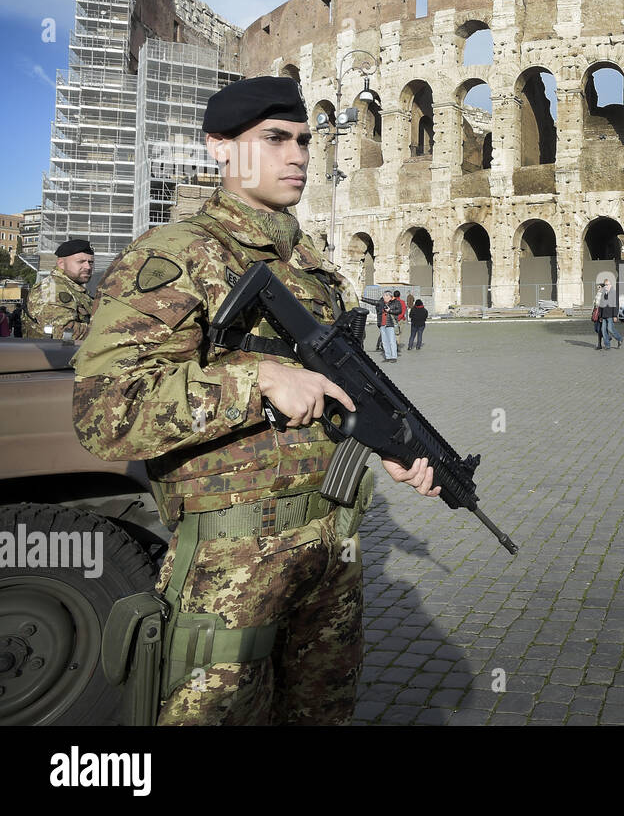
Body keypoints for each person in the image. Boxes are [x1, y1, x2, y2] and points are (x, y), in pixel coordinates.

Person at [73, 75, 439, 725]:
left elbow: (332, 398)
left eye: (303, 139)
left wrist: (385, 442)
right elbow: (107, 413)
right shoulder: (176, 257)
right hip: (229, 573)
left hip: (330, 563)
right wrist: (257, 381)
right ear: (220, 148)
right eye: (275, 138)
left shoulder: (316, 271)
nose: (298, 154)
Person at [23, 238, 96, 341]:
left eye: (91, 262)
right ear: (61, 264)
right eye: (81, 262)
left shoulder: (71, 287)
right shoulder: (51, 289)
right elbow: (62, 332)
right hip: (54, 355)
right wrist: (112, 331)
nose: (88, 267)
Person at [599, 278, 622, 349]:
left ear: (610, 285)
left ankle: (619, 339)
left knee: (610, 329)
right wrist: (600, 316)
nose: (605, 286)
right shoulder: (603, 293)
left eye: (607, 285)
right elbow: (601, 305)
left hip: (611, 315)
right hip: (604, 315)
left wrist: (615, 315)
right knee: (603, 330)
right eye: (605, 285)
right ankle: (607, 345)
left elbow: (616, 305)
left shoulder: (614, 293)